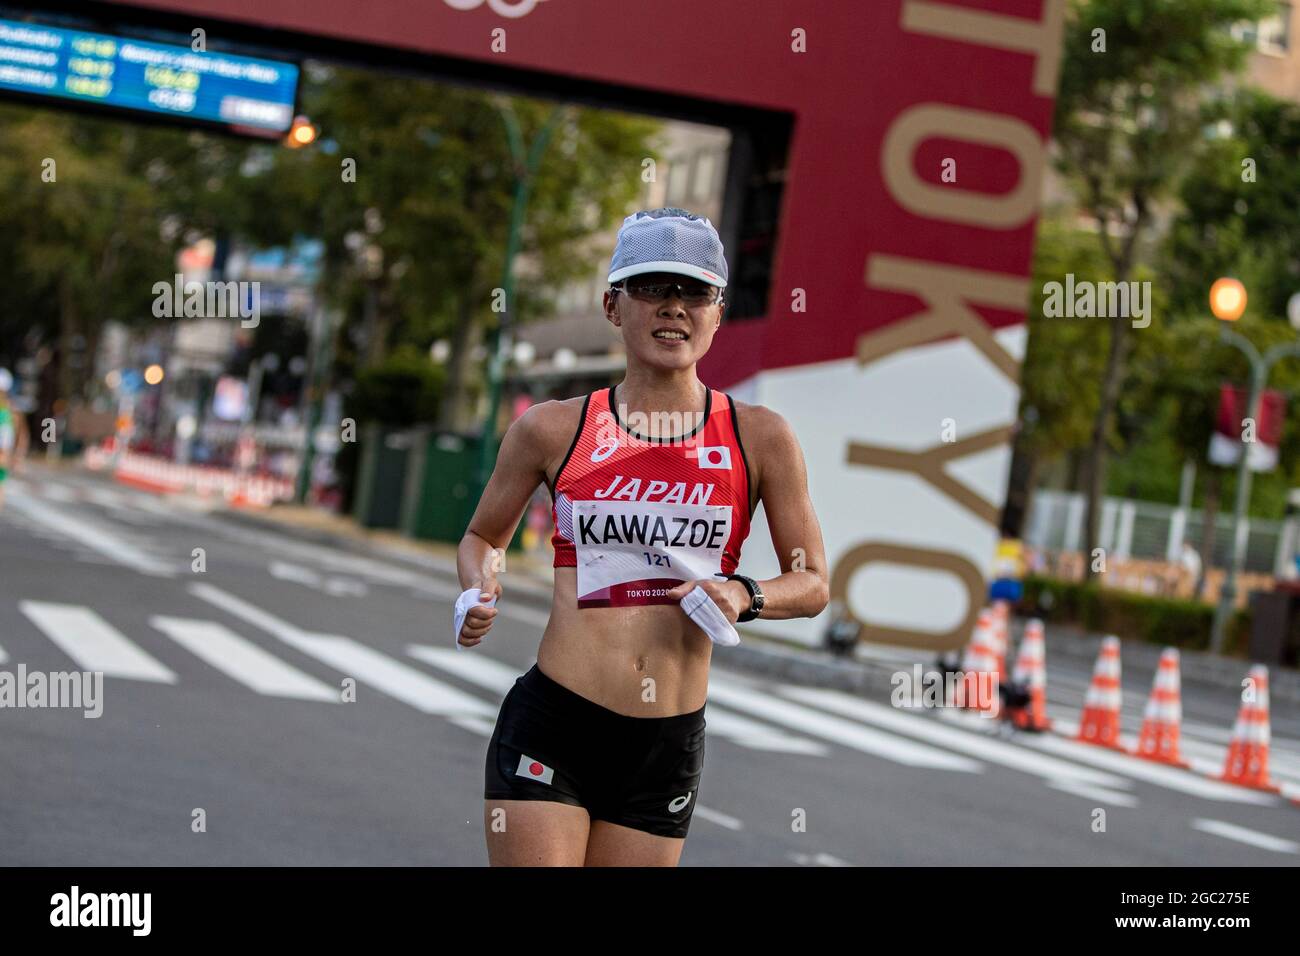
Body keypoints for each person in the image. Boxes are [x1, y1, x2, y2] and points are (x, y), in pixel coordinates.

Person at [457, 208, 829, 866]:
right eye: (653, 287)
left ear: (718, 311)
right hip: (556, 723)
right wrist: (477, 588)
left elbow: (813, 581)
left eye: (695, 292)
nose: (674, 308)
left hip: (665, 747)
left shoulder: (762, 436)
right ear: (612, 304)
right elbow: (485, 536)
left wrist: (745, 593)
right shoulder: (551, 429)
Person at [0, 368, 30, 511]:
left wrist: (18, 455)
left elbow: (21, 435)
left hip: (3, 456)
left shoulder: (12, 411)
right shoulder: (13, 411)